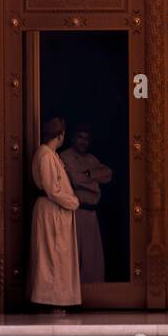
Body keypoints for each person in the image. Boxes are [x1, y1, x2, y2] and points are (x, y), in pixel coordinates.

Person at [29, 116, 81, 314]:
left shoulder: (50, 154)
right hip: (52, 211)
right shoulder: (46, 155)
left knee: (55, 255)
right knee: (53, 256)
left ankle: (56, 300)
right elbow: (53, 190)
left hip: (54, 210)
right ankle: (53, 301)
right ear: (60, 135)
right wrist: (73, 201)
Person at [60, 125, 113, 285]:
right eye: (80, 138)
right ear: (73, 139)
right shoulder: (66, 156)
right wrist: (93, 179)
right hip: (75, 212)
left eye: (86, 139)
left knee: (92, 256)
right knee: (74, 254)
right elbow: (76, 179)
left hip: (91, 214)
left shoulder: (91, 159)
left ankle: (93, 291)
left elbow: (108, 174)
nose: (83, 142)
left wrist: (89, 174)